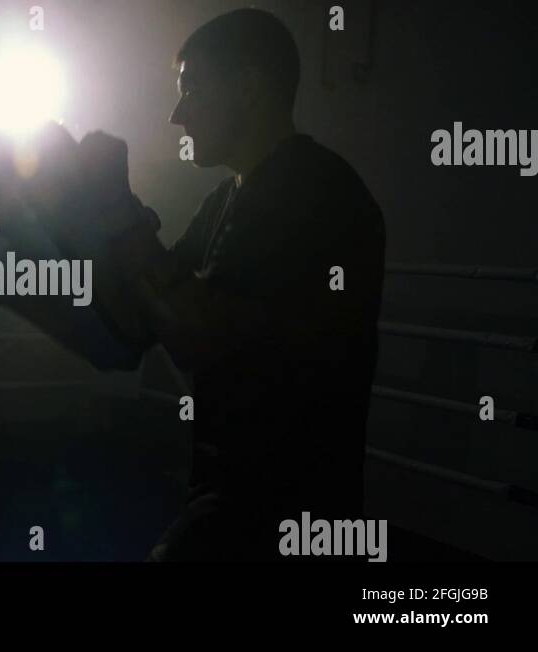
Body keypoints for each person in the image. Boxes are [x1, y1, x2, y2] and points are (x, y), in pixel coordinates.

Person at [134, 9, 386, 561]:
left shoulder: (318, 192)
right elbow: (146, 303)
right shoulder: (226, 198)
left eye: (192, 89)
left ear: (247, 88)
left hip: (289, 510)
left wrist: (113, 219)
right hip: (228, 497)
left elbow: (197, 336)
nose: (178, 114)